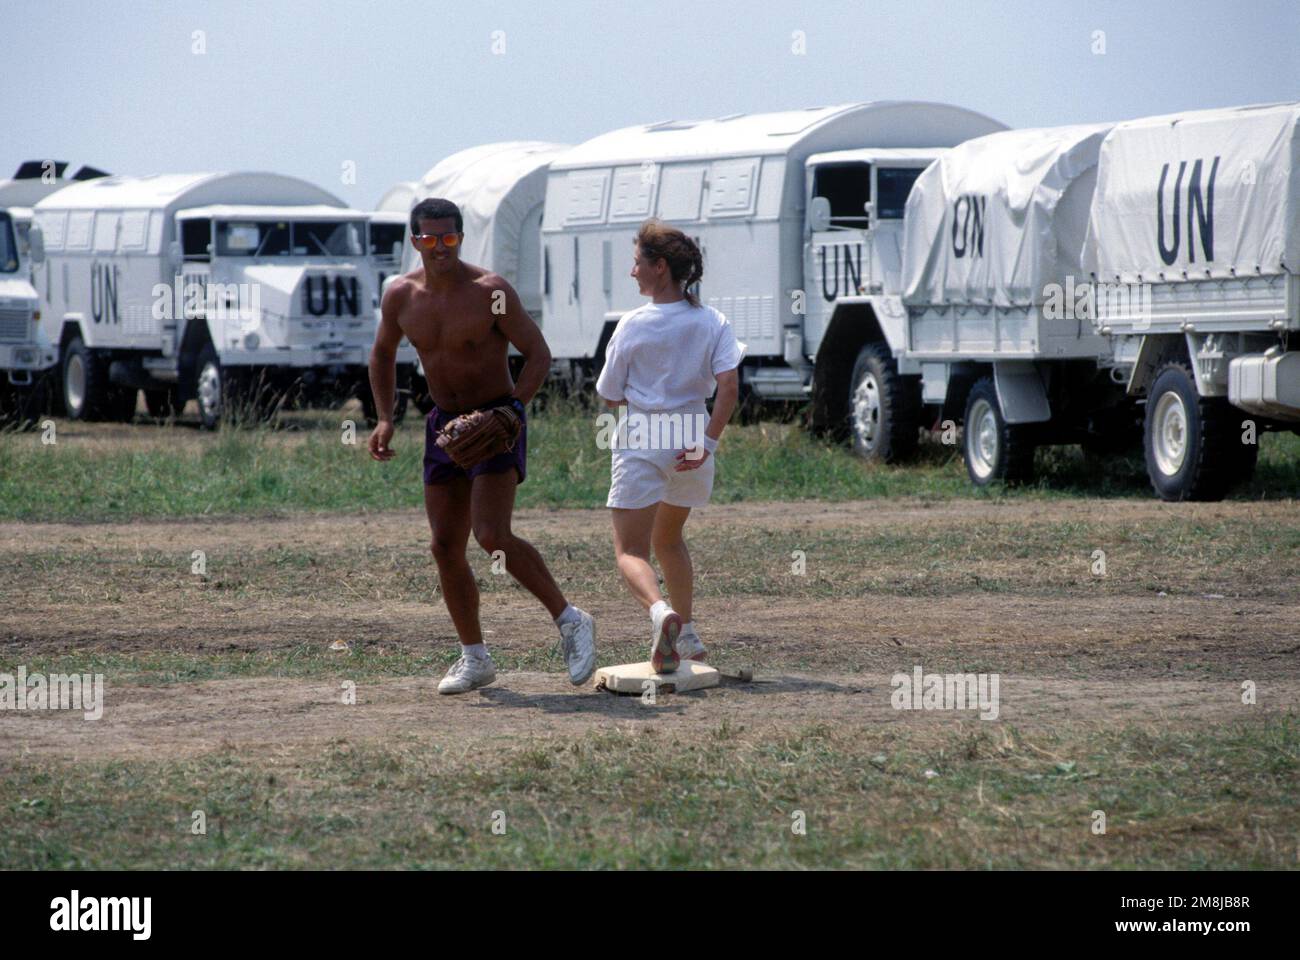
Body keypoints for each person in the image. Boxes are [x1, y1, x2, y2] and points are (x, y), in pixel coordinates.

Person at [368, 197, 597, 694]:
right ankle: (475, 657)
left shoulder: (490, 292)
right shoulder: (400, 296)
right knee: (444, 545)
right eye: (429, 238)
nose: (440, 247)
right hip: (444, 428)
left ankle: (571, 619)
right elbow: (383, 353)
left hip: (496, 420)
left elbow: (538, 352)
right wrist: (385, 417)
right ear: (415, 242)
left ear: (460, 238)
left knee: (492, 535)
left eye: (449, 237)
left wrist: (515, 409)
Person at [596, 219, 742, 673]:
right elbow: (729, 387)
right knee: (671, 538)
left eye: (637, 262)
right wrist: (709, 444)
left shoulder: (633, 323)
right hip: (693, 439)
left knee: (630, 551)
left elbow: (610, 395)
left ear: (659, 267)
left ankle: (662, 614)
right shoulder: (713, 321)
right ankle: (690, 633)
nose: (631, 271)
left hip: (645, 436)